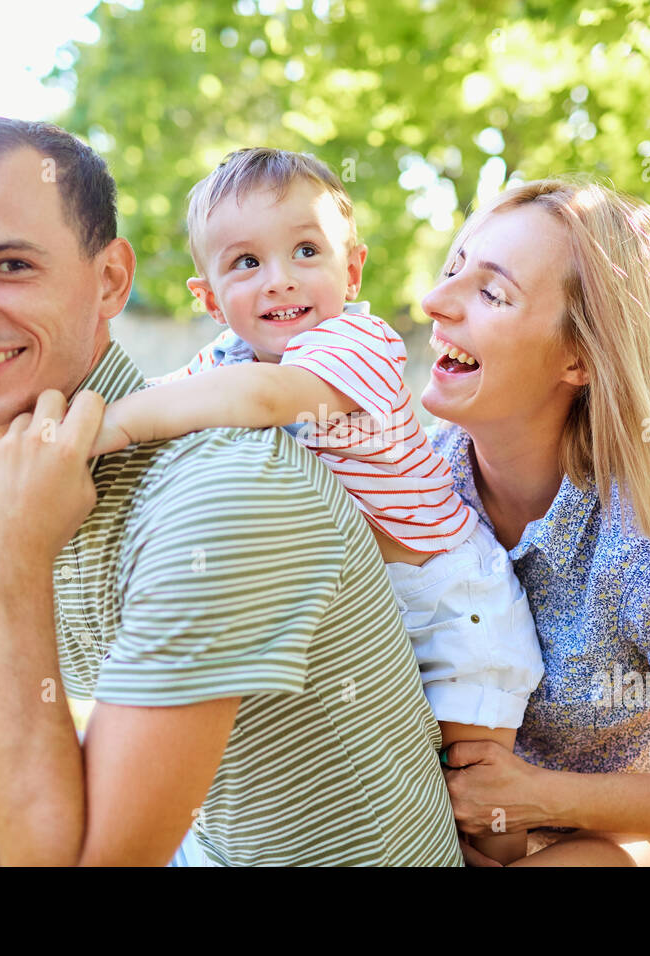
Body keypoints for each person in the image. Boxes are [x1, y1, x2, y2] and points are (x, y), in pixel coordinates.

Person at [0, 118, 463, 867]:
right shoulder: (68, 469)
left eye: (10, 265)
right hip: (209, 838)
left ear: (111, 280)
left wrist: (5, 567)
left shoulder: (223, 493)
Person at [93, 148, 544, 863]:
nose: (280, 279)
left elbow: (263, 400)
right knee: (413, 784)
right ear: (209, 298)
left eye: (306, 251)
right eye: (246, 263)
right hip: (373, 613)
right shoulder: (227, 362)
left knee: (481, 797)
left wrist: (111, 425)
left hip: (456, 604)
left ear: (352, 270)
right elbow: (168, 392)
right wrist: (94, 407)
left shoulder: (356, 343)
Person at [421, 178, 650, 866]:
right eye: (453, 270)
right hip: (478, 820)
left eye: (492, 293)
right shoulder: (416, 480)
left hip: (636, 825)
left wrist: (534, 797)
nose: (435, 302)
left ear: (581, 357)